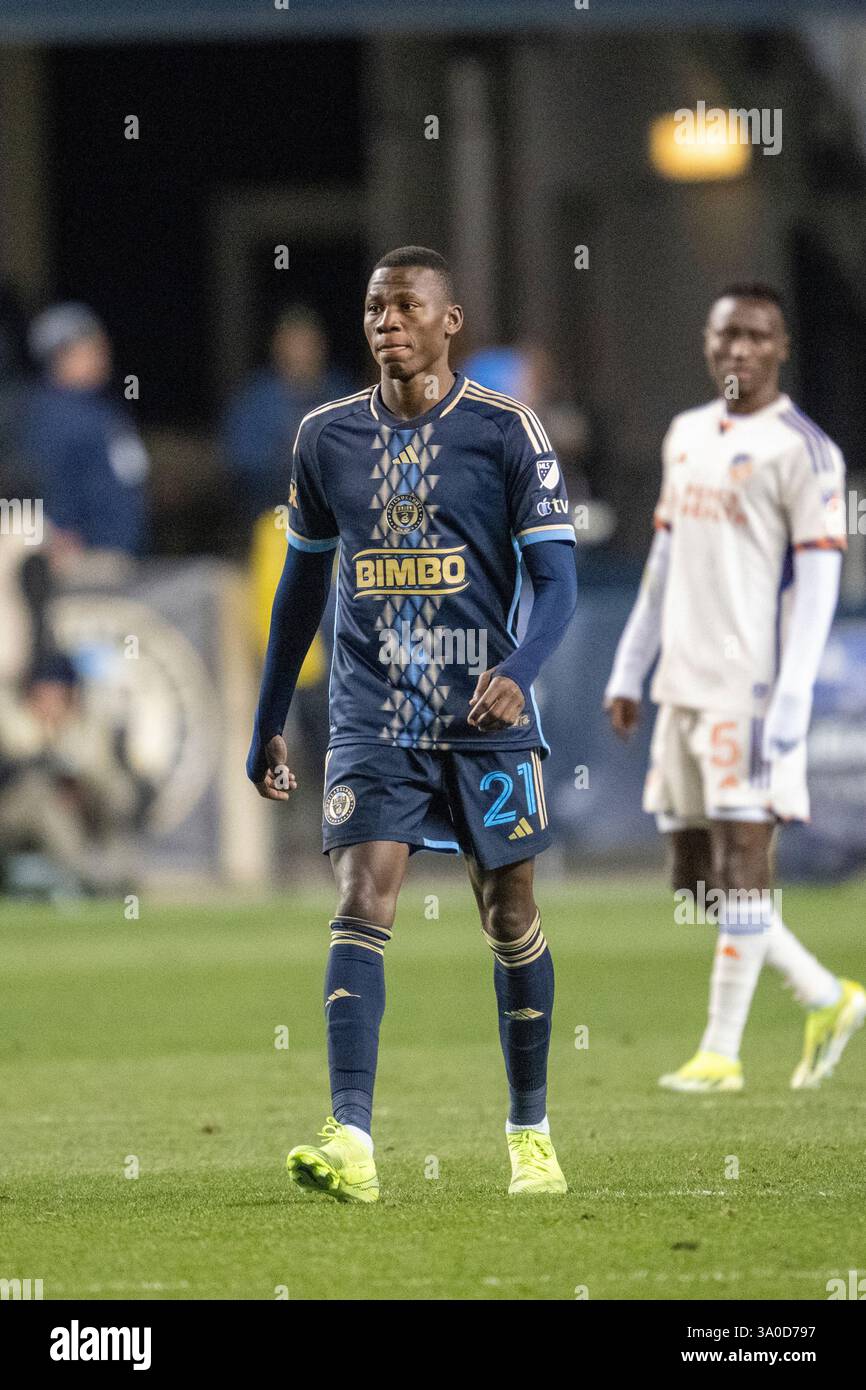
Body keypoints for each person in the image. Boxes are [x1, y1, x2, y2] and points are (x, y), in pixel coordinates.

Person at [247, 246, 578, 1201]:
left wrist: (518, 671)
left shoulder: (509, 433)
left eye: (405, 307)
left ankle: (530, 1135)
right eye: (373, 308)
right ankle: (351, 1136)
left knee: (508, 911)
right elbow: (299, 588)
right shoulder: (323, 438)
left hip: (485, 712)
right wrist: (269, 718)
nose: (386, 321)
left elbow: (555, 585)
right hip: (372, 711)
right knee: (363, 896)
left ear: (450, 321)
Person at [604, 283, 865, 1093]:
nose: (739, 350)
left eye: (756, 336)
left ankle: (721, 1052)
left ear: (781, 347)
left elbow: (822, 581)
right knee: (692, 883)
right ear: (707, 343)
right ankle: (827, 995)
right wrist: (628, 665)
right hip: (682, 685)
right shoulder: (685, 435)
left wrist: (790, 699)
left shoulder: (806, 451)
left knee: (745, 866)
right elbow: (663, 562)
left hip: (748, 692)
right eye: (726, 335)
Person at [22, 302, 149, 558]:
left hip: (122, 549)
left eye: (100, 347)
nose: (101, 356)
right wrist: (55, 534)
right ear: (60, 356)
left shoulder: (103, 405)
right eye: (88, 349)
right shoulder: (51, 414)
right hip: (85, 556)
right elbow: (42, 485)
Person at [222, 306, 354, 534]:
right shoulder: (256, 400)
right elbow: (239, 462)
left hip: (338, 527)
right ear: (277, 347)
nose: (301, 354)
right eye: (293, 344)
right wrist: (288, 453)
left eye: (308, 344)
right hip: (271, 522)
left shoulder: (342, 395)